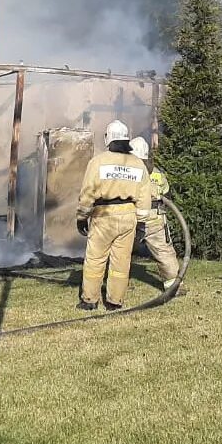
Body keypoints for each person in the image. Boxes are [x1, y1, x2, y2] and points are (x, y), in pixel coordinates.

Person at [76, 120, 152, 311]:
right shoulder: (137, 163)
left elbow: (87, 193)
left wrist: (82, 217)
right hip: (128, 216)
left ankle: (90, 300)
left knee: (95, 259)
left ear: (108, 138)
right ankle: (115, 301)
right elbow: (145, 196)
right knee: (121, 262)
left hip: (103, 215)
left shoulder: (98, 162)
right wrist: (141, 222)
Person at [128, 137, 182, 293]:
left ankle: (119, 285)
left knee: (121, 252)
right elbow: (168, 196)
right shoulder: (157, 173)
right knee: (164, 253)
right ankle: (174, 286)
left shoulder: (128, 172)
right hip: (156, 219)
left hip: (132, 218)